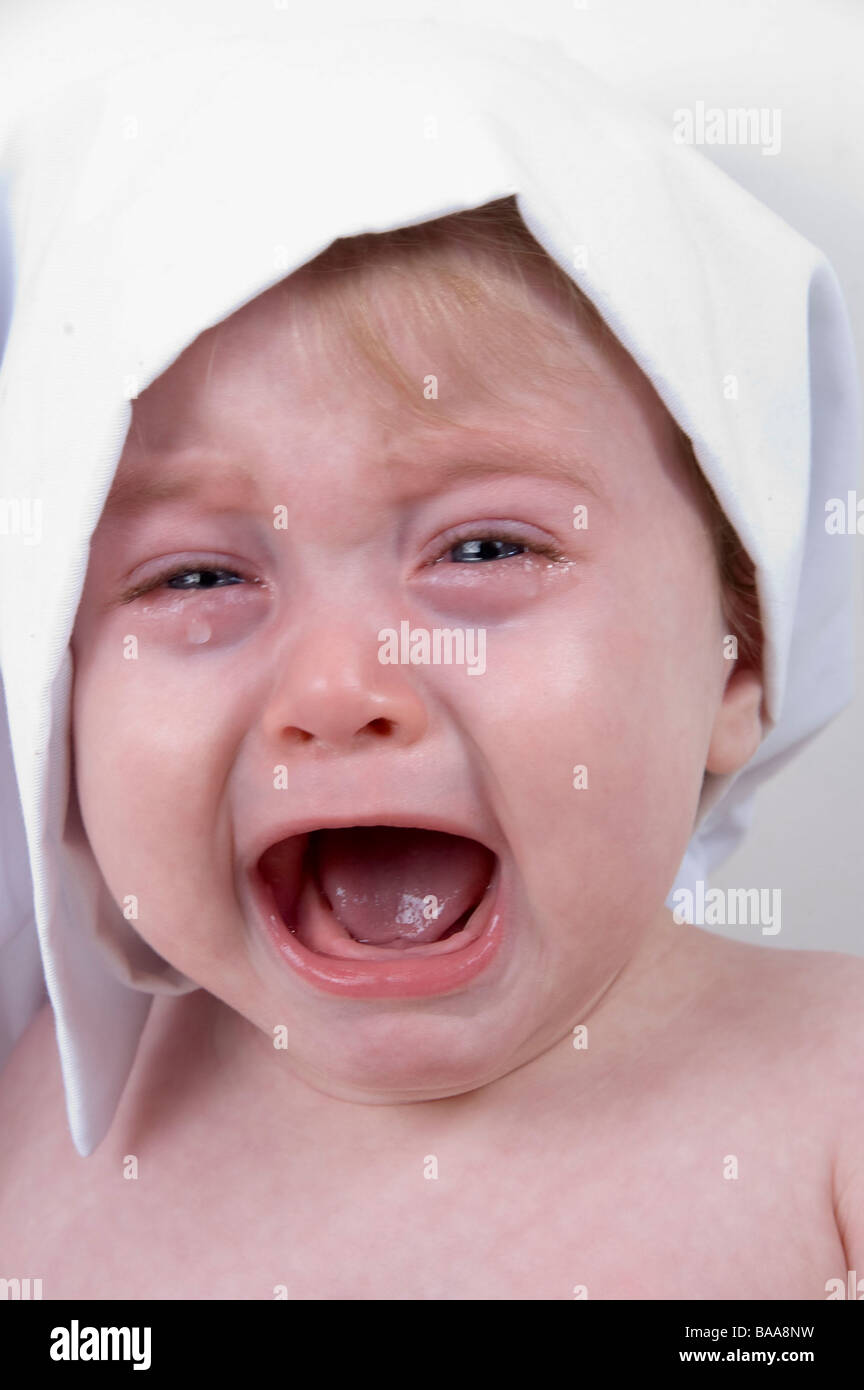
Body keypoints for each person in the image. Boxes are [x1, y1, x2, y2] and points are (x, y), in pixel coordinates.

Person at [0, 16, 861, 1300]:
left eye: (485, 550)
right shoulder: (41, 1135)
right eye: (196, 576)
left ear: (738, 660)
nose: (343, 690)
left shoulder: (831, 1112)